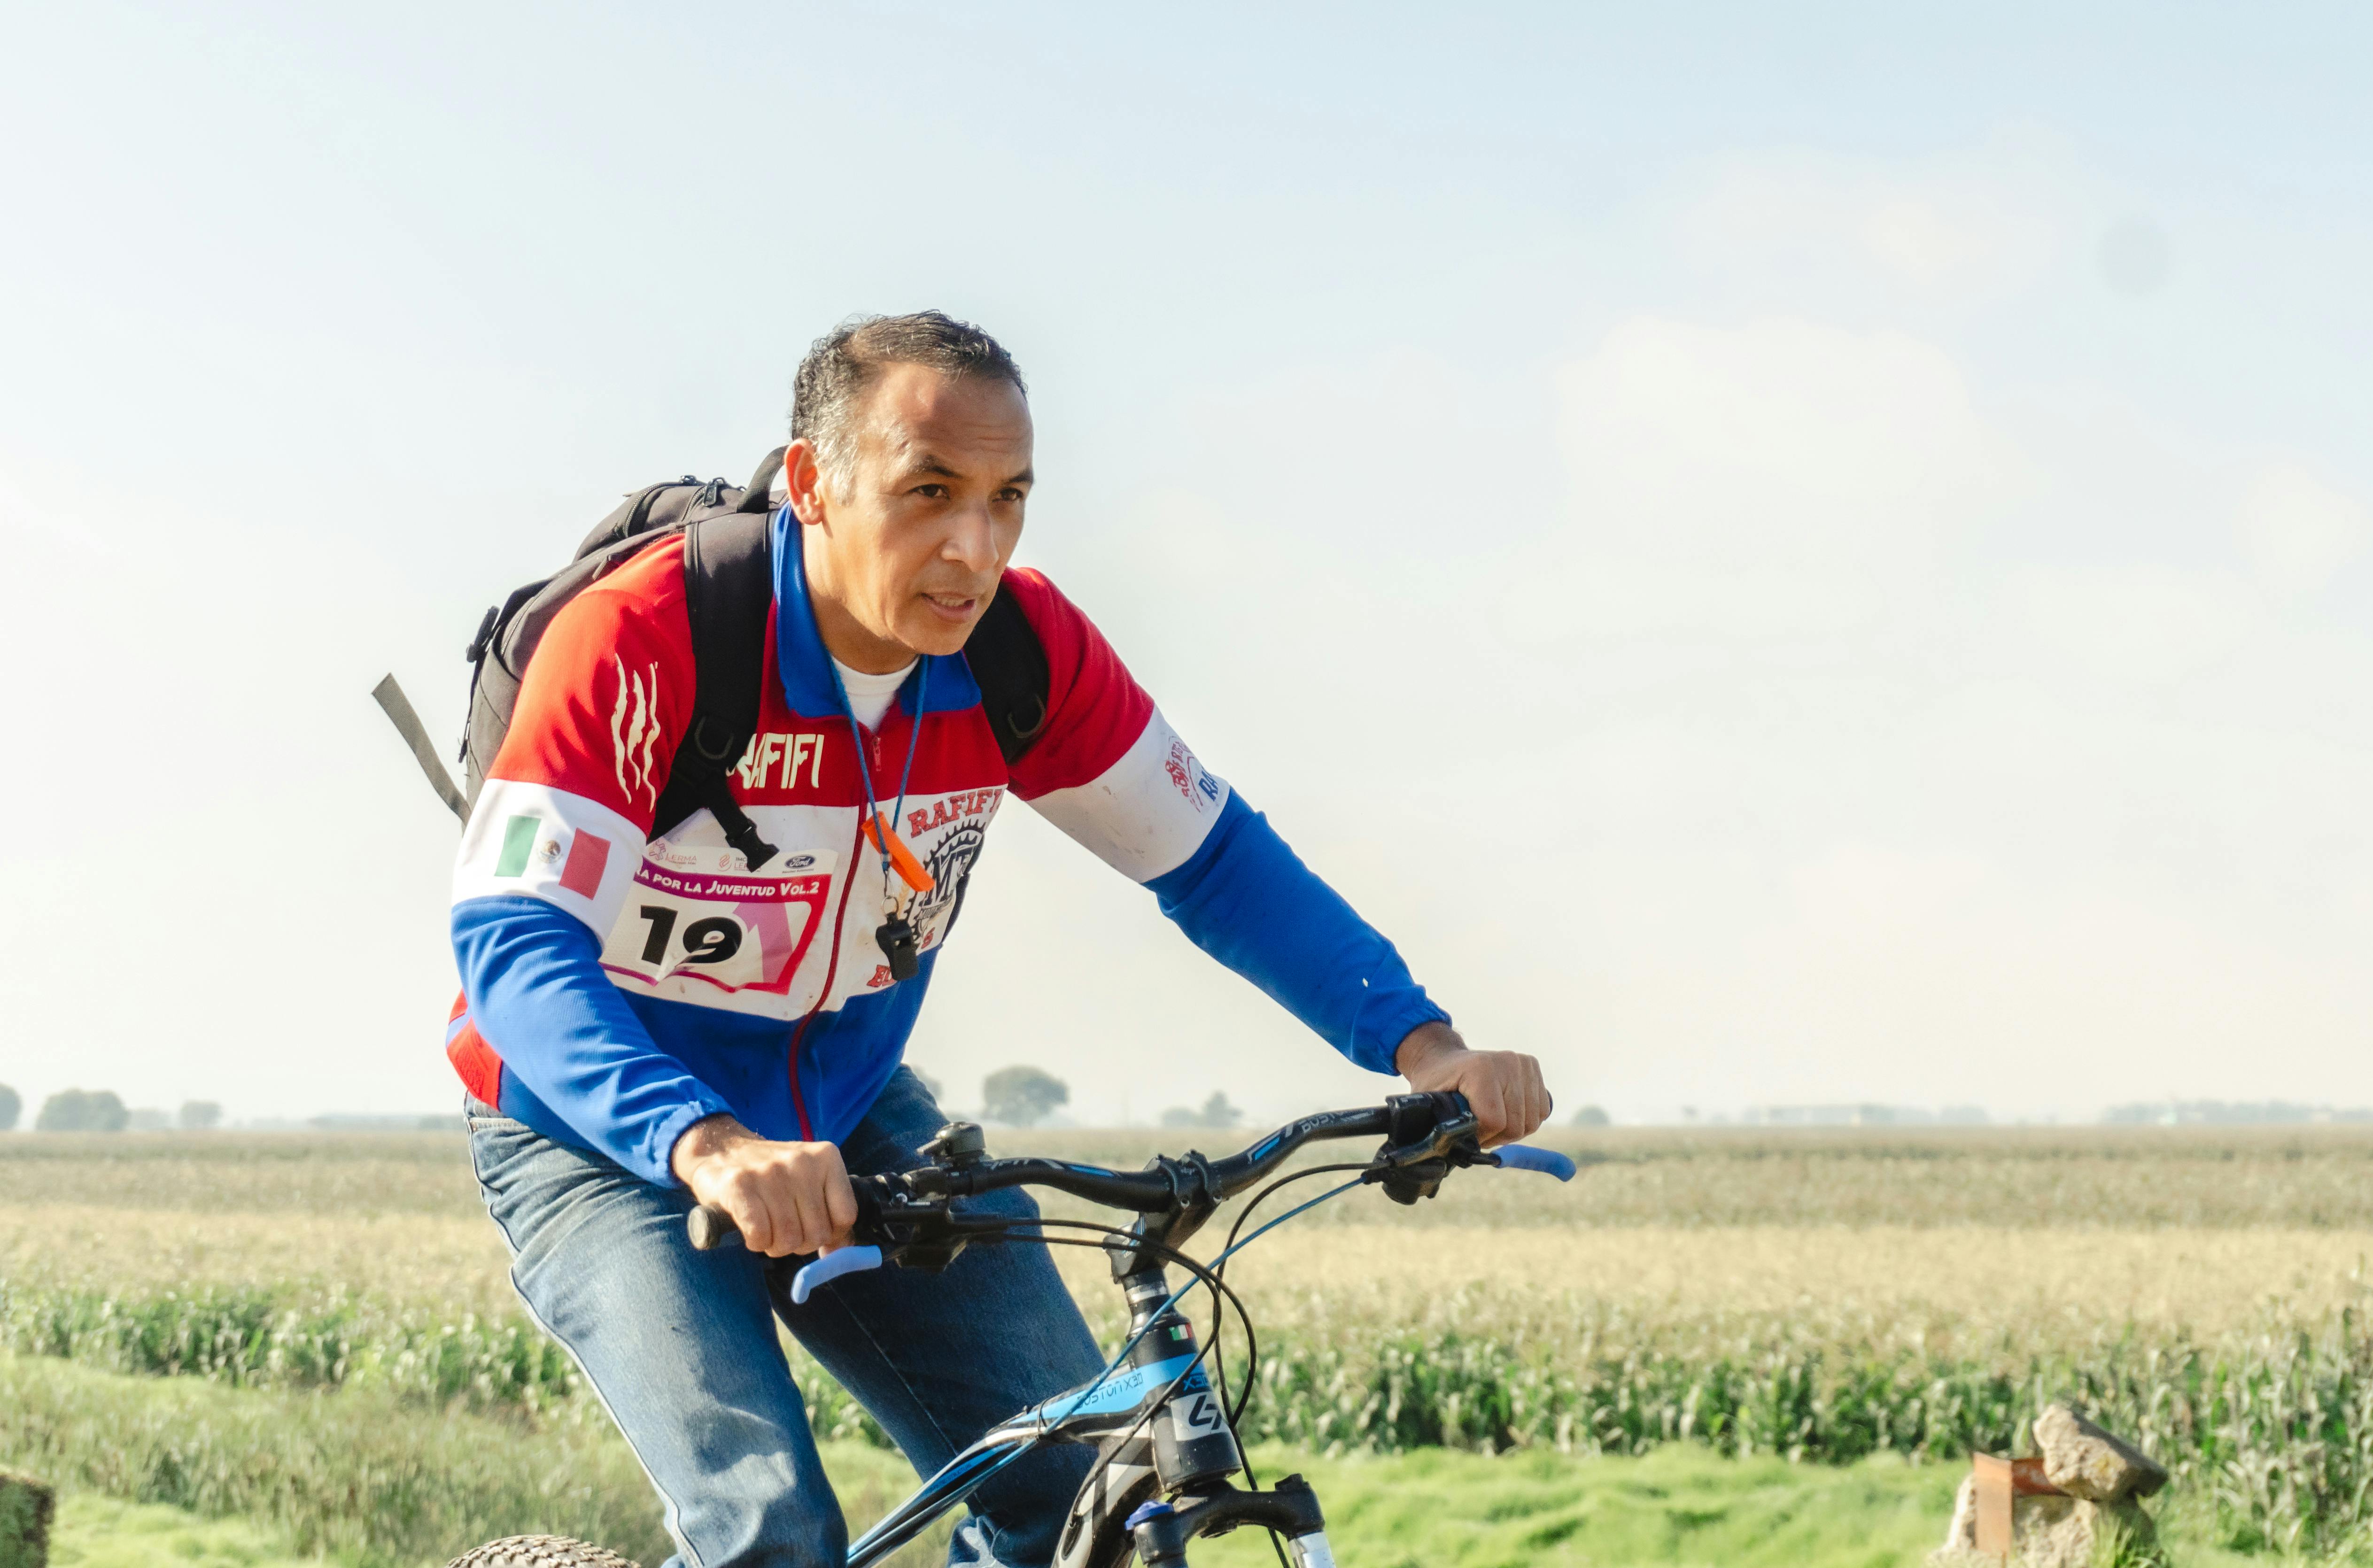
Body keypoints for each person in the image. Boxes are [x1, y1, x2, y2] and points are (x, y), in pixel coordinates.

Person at [446, 311, 1551, 1568]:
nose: (972, 548)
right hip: (600, 1125)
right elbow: (513, 938)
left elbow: (1219, 865)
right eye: (928, 492)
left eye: (1007, 498)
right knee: (768, 1535)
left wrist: (1425, 1047)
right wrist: (702, 1140)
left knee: (1079, 1500)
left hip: (846, 1106)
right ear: (811, 483)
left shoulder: (1019, 652)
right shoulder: (655, 636)